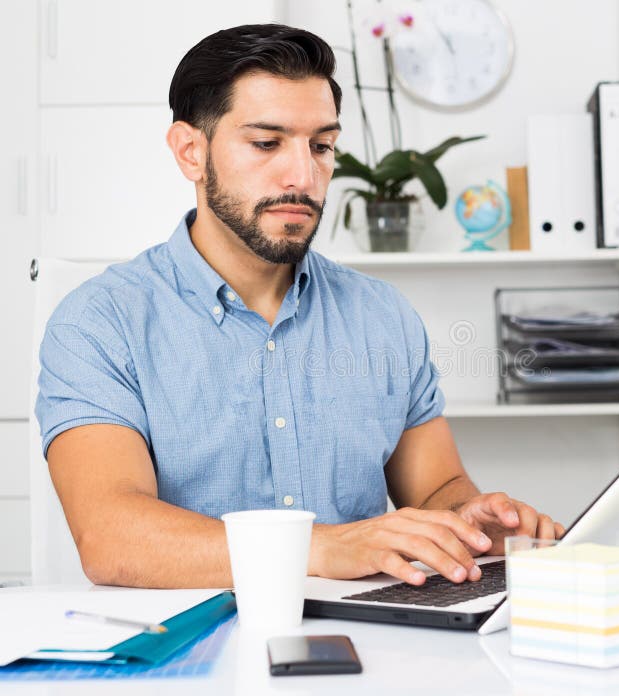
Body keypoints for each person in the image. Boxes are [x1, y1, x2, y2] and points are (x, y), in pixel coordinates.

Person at [35, 24, 564, 590]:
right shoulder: (99, 321)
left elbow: (436, 489)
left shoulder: (381, 314)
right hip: (184, 649)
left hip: (373, 641)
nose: (304, 177)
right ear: (191, 152)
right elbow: (111, 537)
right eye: (267, 144)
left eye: (322, 146)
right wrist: (315, 549)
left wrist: (469, 522)